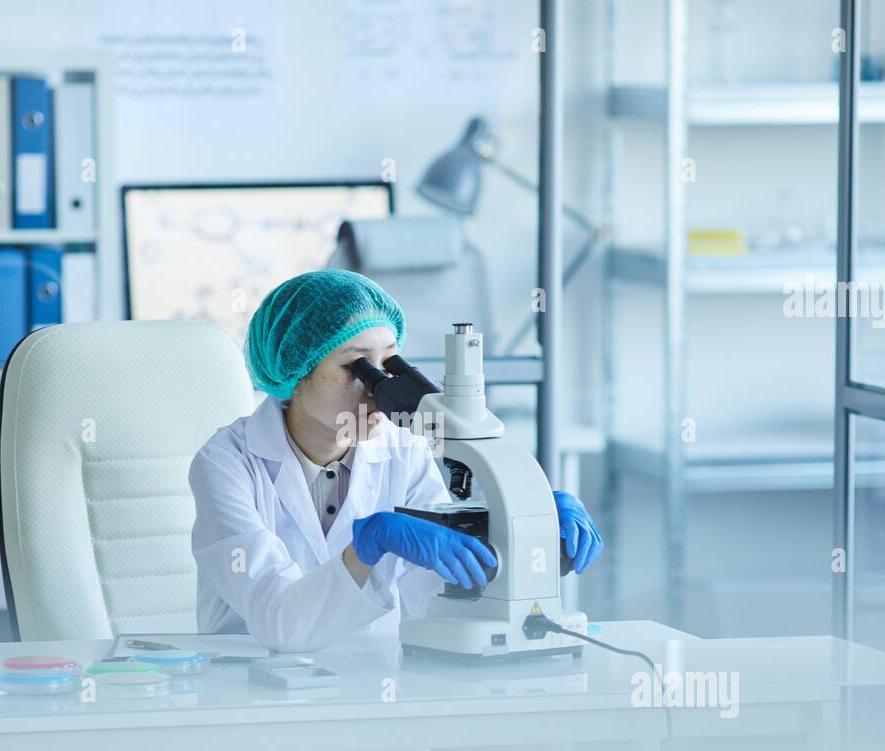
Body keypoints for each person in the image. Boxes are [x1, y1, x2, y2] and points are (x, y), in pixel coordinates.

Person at [189, 269, 601, 652]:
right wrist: (367, 550)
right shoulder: (227, 463)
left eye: (390, 362)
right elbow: (281, 622)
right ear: (296, 370)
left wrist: (527, 526)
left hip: (374, 683)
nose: (379, 388)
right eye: (358, 366)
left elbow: (436, 593)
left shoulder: (403, 450)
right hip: (248, 690)